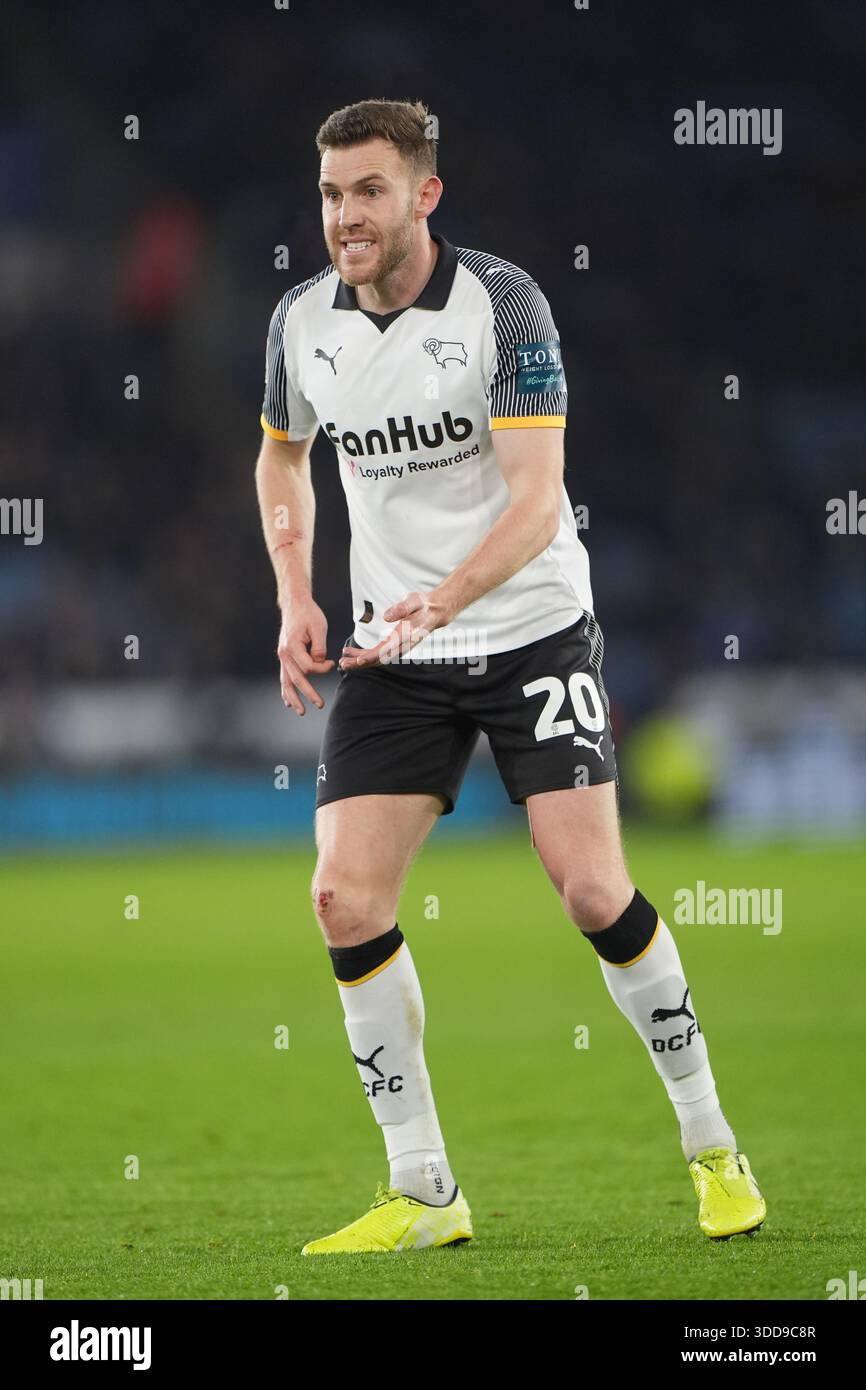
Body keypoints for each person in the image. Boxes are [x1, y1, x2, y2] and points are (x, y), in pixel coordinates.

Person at [254, 98, 765, 1254]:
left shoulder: (503, 304)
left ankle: (710, 1144)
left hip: (529, 624)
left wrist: (444, 592)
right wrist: (295, 592)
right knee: (343, 896)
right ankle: (425, 1189)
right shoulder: (297, 323)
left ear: (424, 195)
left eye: (370, 191)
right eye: (332, 193)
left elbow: (538, 504)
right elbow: (281, 456)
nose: (346, 215)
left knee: (589, 889)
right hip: (398, 649)